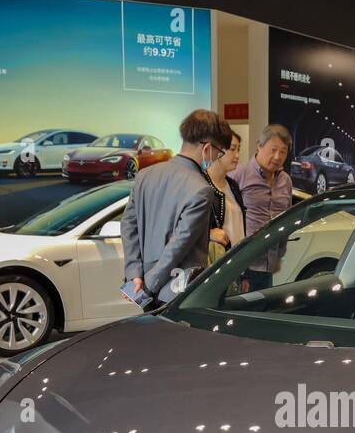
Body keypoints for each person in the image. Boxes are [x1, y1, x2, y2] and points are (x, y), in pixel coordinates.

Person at [120, 109, 229, 308]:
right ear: (207, 148)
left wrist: (134, 275)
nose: (217, 158)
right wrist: (149, 286)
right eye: (219, 152)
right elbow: (179, 245)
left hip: (141, 287)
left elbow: (128, 226)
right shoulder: (201, 189)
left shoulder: (145, 175)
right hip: (177, 292)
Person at [230, 124, 292, 290]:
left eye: (283, 151)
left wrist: (279, 255)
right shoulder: (238, 174)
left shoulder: (285, 180)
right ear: (259, 145)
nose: (278, 157)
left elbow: (287, 221)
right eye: (273, 150)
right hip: (242, 266)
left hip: (269, 266)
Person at [205, 126, 246, 264]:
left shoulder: (233, 186)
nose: (237, 155)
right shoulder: (200, 186)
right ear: (217, 150)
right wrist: (208, 234)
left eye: (238, 150)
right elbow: (181, 229)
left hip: (238, 265)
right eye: (232, 149)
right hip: (216, 268)